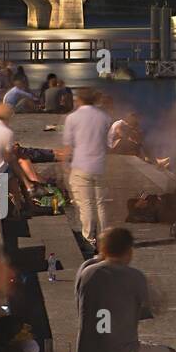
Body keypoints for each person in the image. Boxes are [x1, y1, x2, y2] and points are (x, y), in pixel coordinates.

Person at [75, 227, 176, 352]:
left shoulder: (86, 271)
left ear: (102, 249)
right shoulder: (134, 276)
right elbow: (151, 310)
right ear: (129, 251)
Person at [57, 87, 110, 252]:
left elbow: (68, 145)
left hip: (81, 165)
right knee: (101, 204)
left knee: (86, 204)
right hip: (100, 165)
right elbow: (107, 143)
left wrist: (64, 163)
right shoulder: (105, 117)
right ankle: (106, 238)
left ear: (79, 99)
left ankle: (89, 238)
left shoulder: (72, 118)